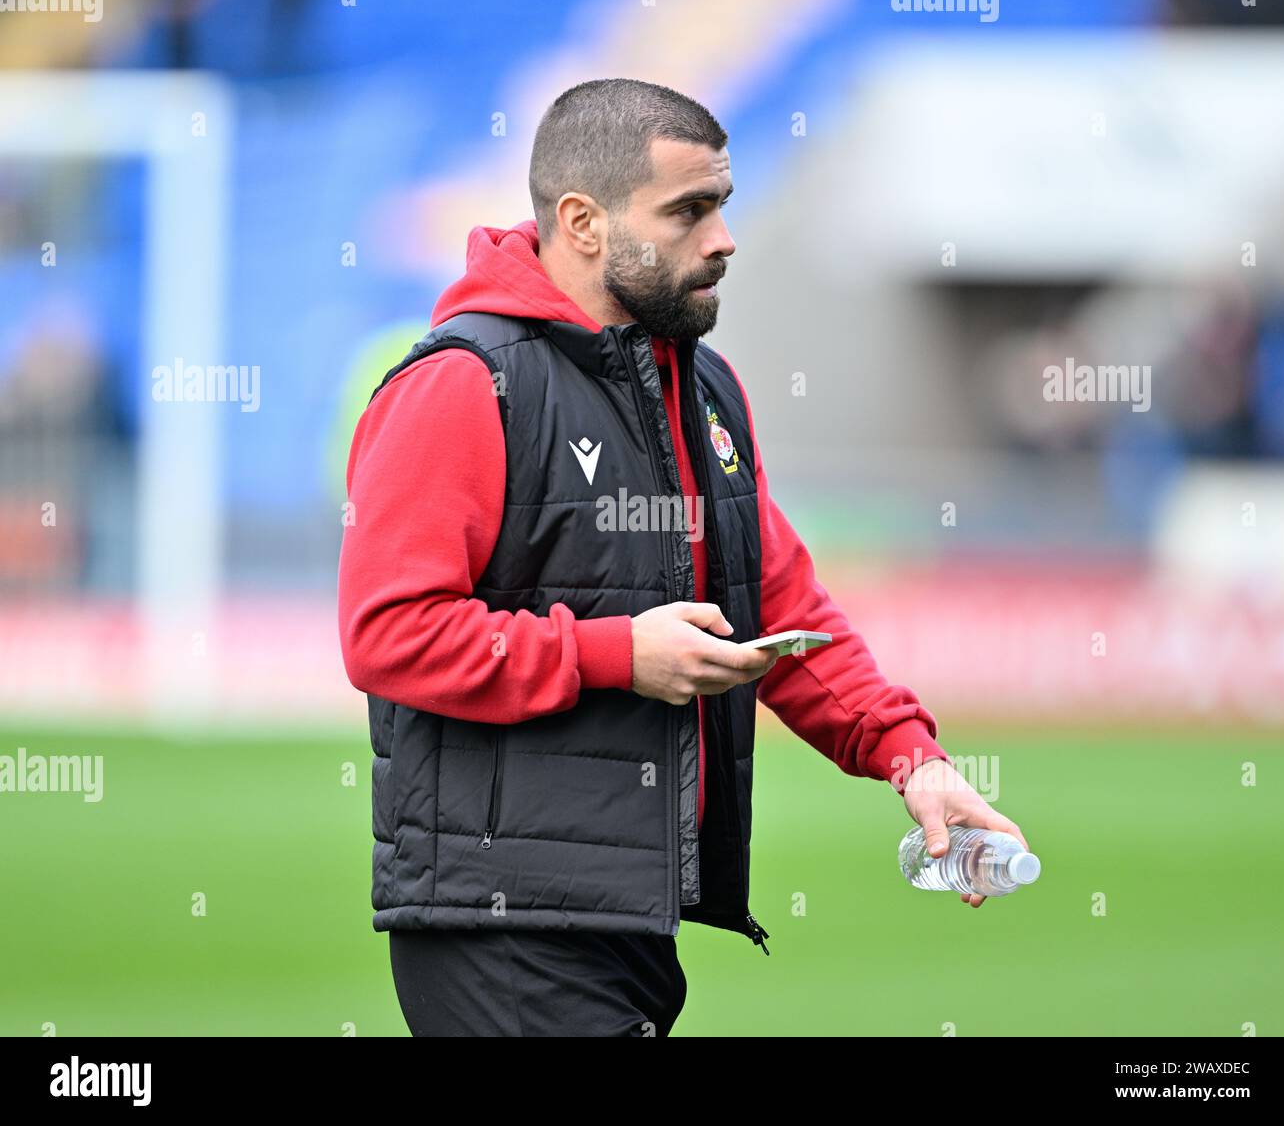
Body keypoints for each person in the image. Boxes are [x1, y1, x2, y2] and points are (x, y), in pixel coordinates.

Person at [337, 77, 1029, 1037]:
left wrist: (911, 758)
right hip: (495, 922)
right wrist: (619, 654)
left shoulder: (701, 385)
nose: (724, 238)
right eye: (688, 211)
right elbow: (389, 634)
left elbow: (782, 603)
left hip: (627, 918)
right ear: (583, 222)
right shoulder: (464, 384)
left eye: (724, 206)